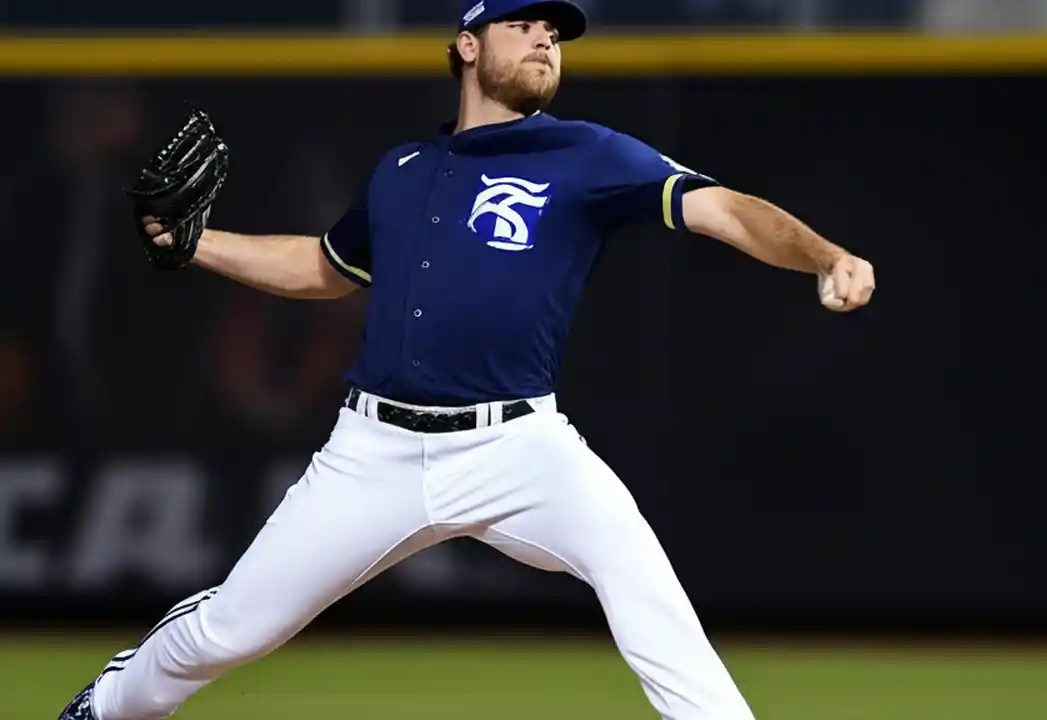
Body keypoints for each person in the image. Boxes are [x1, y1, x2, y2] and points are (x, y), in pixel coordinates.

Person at [57, 1, 875, 718]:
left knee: (656, 610)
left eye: (555, 32)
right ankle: (105, 709)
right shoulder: (405, 172)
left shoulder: (588, 154)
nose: (546, 41)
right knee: (232, 628)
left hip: (520, 449)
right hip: (372, 452)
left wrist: (822, 254)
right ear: (470, 46)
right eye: (523, 25)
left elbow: (727, 210)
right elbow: (324, 269)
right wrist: (195, 243)